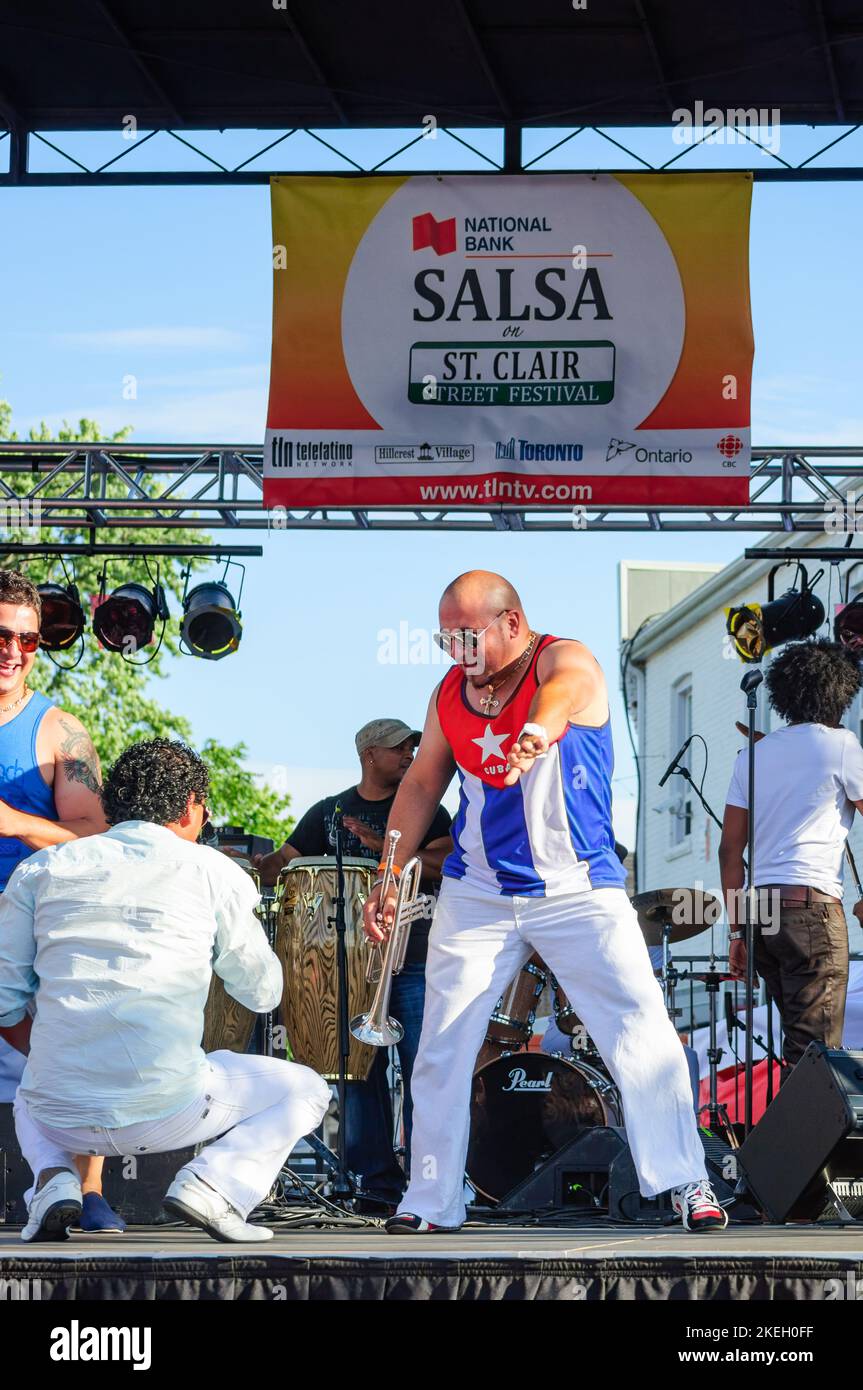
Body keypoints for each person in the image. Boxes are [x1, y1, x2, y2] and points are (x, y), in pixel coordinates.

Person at [364, 570, 726, 1234]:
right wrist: (389, 873)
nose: (456, 651)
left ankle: (687, 1183)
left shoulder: (564, 658)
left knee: (638, 1029)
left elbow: (565, 692)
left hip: (576, 889)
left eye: (468, 636)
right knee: (443, 1047)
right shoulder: (448, 692)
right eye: (446, 638)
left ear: (511, 623)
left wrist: (536, 730)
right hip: (477, 892)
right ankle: (431, 1199)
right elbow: (419, 783)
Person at [0, 738, 330, 1243]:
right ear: (192, 805)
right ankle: (213, 1188)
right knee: (306, 1088)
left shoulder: (42, 868)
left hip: (58, 1114)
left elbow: (3, 996)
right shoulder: (214, 870)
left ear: (111, 803)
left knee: (31, 1088)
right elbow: (261, 993)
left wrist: (40, 1041)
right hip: (168, 1114)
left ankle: (52, 1181)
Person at [257, 718, 452, 1211]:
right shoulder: (328, 811)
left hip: (413, 957)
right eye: (400, 749)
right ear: (369, 754)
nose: (410, 755)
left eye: (413, 747)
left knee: (421, 1070)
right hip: (346, 965)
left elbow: (448, 863)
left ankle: (431, 1183)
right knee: (359, 1073)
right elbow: (286, 861)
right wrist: (245, 863)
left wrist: (380, 846)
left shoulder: (427, 808)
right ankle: (377, 1186)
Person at [0, 567, 119, 1232]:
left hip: (35, 921)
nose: (13, 651)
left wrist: (15, 822)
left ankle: (89, 1191)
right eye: (1, 635)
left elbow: (95, 836)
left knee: (71, 1046)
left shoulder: (58, 731)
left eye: (27, 640)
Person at [720, 638, 863, 1078]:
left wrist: (737, 931)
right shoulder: (841, 744)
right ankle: (803, 1146)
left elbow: (730, 851)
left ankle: (793, 1141)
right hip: (811, 911)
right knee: (816, 1057)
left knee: (799, 1048)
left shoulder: (753, 755)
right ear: (841, 692)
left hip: (762, 914)